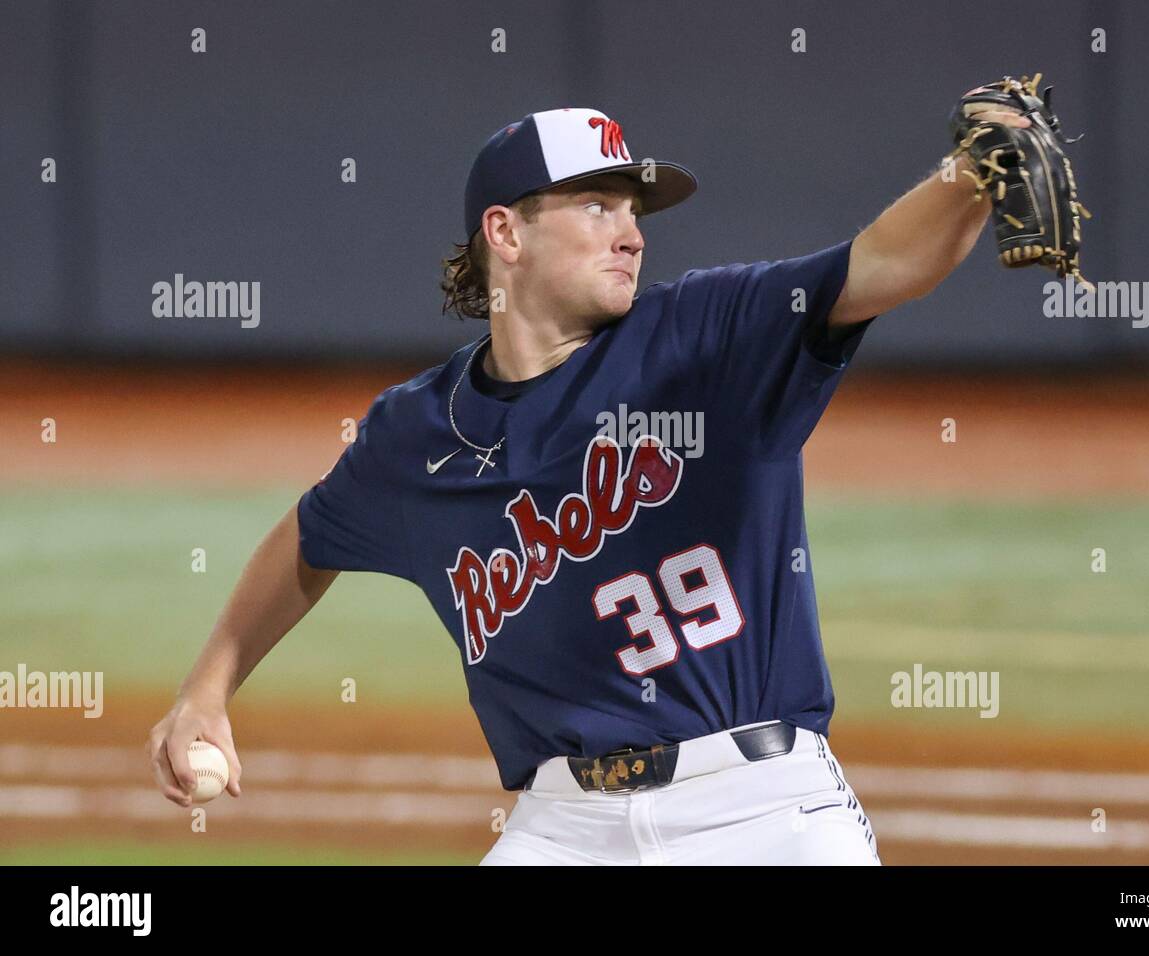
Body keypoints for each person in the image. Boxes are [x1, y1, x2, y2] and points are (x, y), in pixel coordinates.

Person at [149, 105, 1030, 865]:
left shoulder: (707, 335)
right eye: (597, 204)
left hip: (760, 809)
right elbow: (308, 541)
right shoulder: (414, 434)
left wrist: (974, 172)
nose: (633, 232)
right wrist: (206, 690)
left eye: (635, 210)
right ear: (506, 233)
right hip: (561, 826)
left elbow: (883, 265)